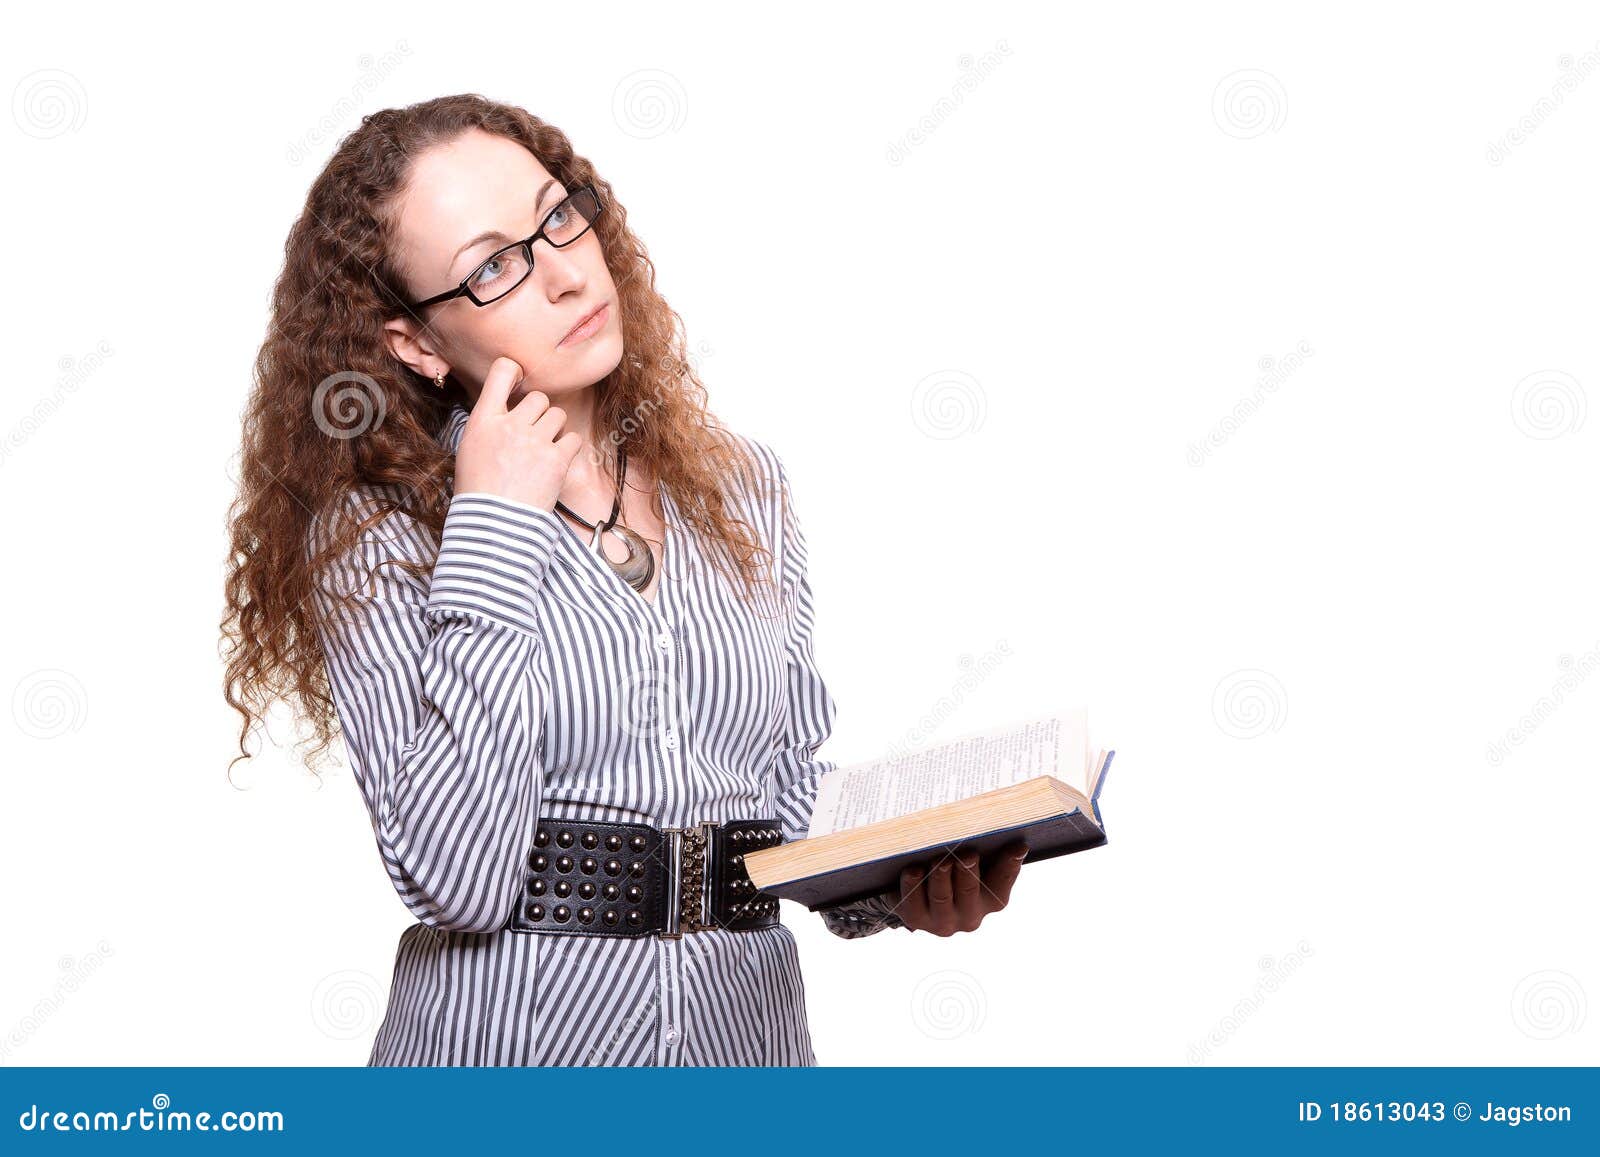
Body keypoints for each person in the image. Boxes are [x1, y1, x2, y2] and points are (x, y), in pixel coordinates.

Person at [221, 93, 1026, 1066]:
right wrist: (498, 522)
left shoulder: (743, 487)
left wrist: (900, 880)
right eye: (491, 267)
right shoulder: (379, 536)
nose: (564, 274)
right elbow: (456, 875)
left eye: (559, 214)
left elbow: (775, 794)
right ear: (415, 343)